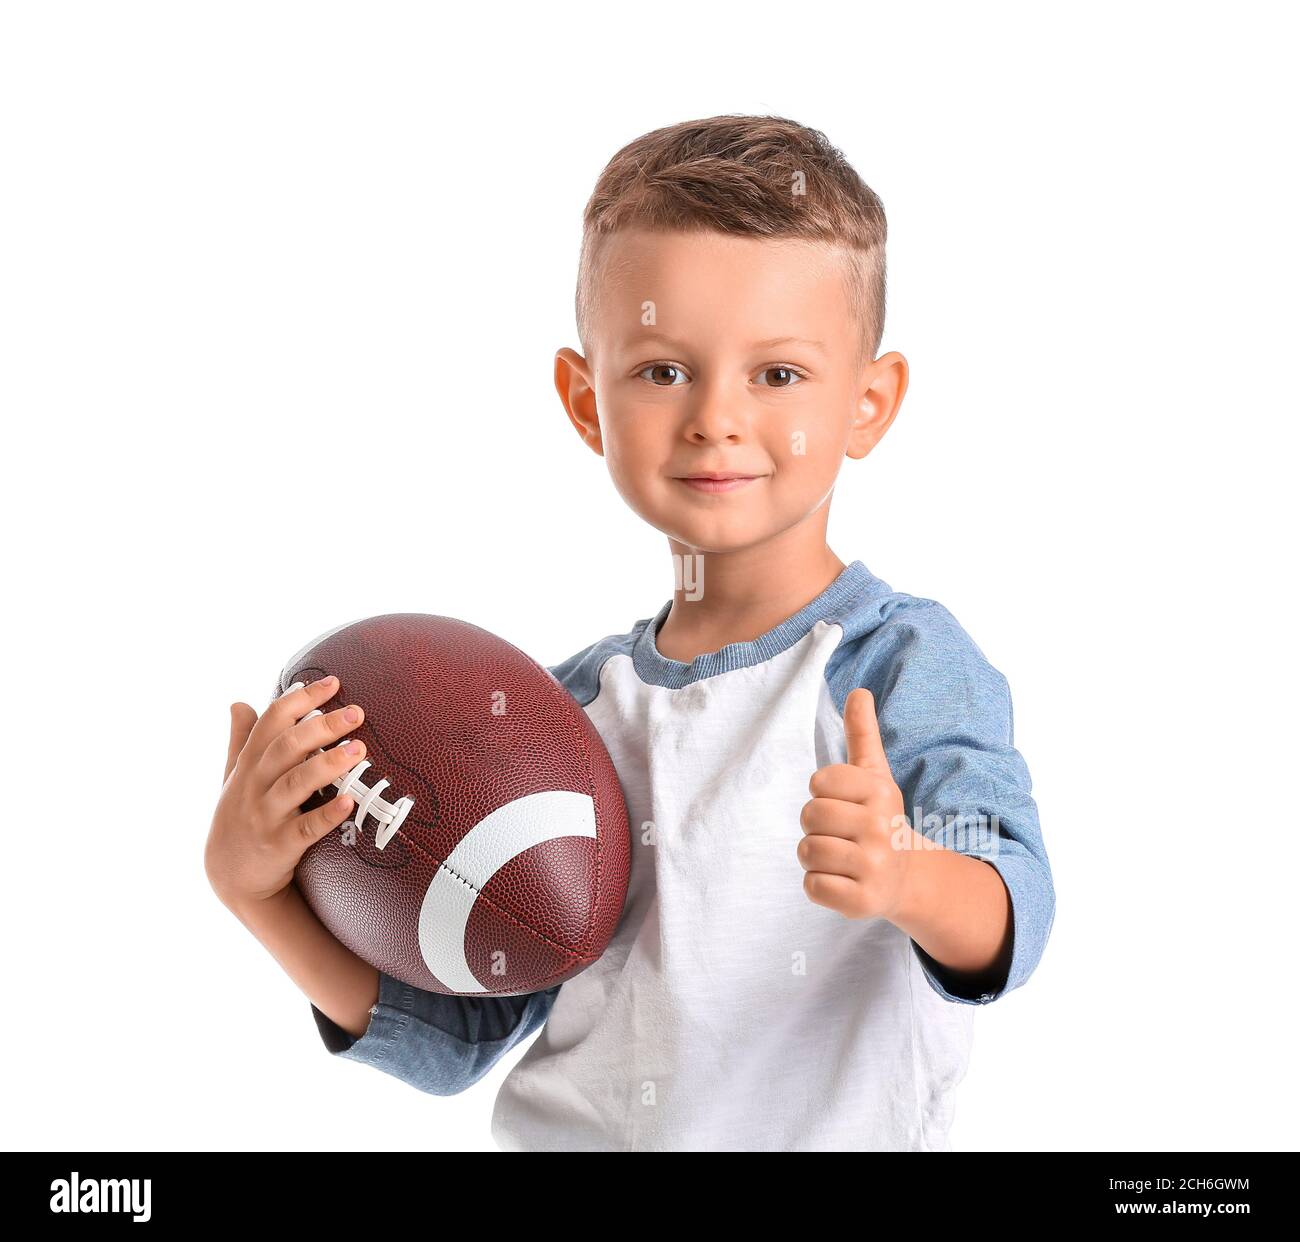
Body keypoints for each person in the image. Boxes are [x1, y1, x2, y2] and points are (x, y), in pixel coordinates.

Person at [206, 113, 1056, 1152]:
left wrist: (910, 873)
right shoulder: (547, 722)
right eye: (661, 370)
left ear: (868, 405)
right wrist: (256, 893)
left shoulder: (899, 664)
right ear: (584, 399)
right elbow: (456, 1039)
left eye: (777, 374)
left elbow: (1013, 910)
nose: (714, 417)